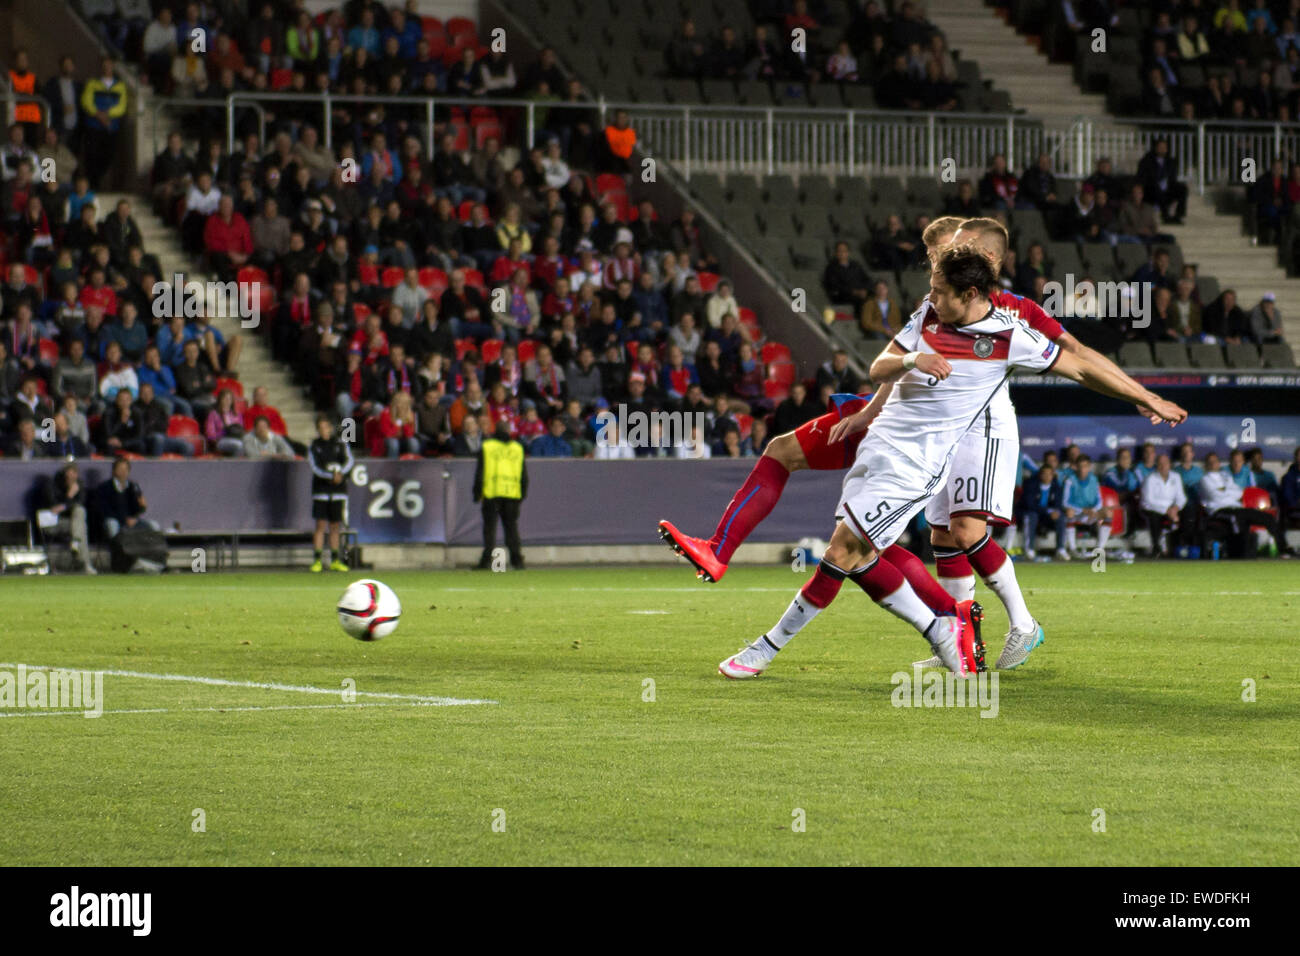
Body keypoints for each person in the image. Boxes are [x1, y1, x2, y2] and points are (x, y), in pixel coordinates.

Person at [715, 242, 1181, 681]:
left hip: (913, 467)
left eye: (940, 291)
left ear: (971, 294)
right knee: (859, 558)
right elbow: (878, 368)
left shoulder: (1008, 337)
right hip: (878, 447)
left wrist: (1145, 397)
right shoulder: (928, 314)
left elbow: (1081, 367)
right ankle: (942, 630)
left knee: (841, 552)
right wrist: (914, 359)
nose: (930, 296)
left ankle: (765, 649)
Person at [1199, 452, 1282, 557]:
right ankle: (1241, 554)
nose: (1213, 464)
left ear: (1218, 463)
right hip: (1219, 511)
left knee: (1267, 517)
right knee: (1236, 519)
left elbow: (1239, 492)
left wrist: (1224, 492)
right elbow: (1215, 496)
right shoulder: (1204, 480)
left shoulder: (1225, 477)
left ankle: (1282, 549)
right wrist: (1228, 493)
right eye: (1210, 462)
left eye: (1215, 461)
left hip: (1237, 508)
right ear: (1206, 465)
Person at [473, 422, 527, 570]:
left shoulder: (487, 447)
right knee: (511, 528)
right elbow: (524, 475)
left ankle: (486, 561)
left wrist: (477, 492)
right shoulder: (517, 448)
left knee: (490, 529)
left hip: (492, 493)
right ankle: (517, 560)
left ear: (494, 430)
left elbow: (480, 472)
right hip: (512, 493)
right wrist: (522, 493)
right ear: (510, 431)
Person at [308, 415, 353, 572]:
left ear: (330, 428)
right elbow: (314, 467)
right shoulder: (315, 446)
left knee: (335, 526)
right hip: (321, 490)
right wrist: (330, 476)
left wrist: (339, 474)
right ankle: (317, 560)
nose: (324, 431)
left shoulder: (340, 443)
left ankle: (335, 559)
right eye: (320, 428)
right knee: (320, 525)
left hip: (338, 491)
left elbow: (349, 461)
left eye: (326, 427)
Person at [37, 463, 97, 574]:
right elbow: (54, 508)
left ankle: (76, 542)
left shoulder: (79, 485)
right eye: (69, 475)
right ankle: (85, 563)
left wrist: (64, 505)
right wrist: (69, 496)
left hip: (72, 523)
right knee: (80, 527)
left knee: (80, 512)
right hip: (52, 523)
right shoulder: (52, 485)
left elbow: (80, 503)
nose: (71, 478)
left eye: (74, 475)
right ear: (64, 474)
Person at [97, 456, 157, 539]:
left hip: (132, 521)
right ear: (114, 471)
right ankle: (118, 548)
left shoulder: (133, 487)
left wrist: (142, 507)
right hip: (115, 520)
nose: (123, 472)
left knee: (153, 525)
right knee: (111, 524)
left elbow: (137, 509)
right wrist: (123, 519)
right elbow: (104, 510)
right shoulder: (105, 487)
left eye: (126, 469)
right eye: (120, 469)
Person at [1140, 453, 1187, 557]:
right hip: (1152, 509)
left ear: (1169, 464)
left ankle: (1181, 548)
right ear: (1157, 465)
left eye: (1165, 463)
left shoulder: (1176, 477)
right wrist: (1167, 510)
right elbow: (1148, 501)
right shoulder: (1150, 479)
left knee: (1188, 514)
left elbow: (1181, 497)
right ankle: (1156, 548)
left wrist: (1175, 508)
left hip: (1172, 510)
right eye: (1160, 464)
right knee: (1154, 517)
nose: (1163, 466)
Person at [1021, 464, 1066, 561]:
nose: (1047, 477)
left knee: (1061, 517)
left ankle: (1061, 549)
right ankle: (1029, 550)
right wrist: (1049, 511)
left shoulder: (1056, 486)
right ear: (1040, 475)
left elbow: (1058, 504)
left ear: (1053, 475)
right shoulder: (1031, 485)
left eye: (1049, 474)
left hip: (1048, 517)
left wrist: (1056, 511)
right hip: (1033, 514)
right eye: (1044, 474)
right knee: (1031, 516)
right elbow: (1030, 505)